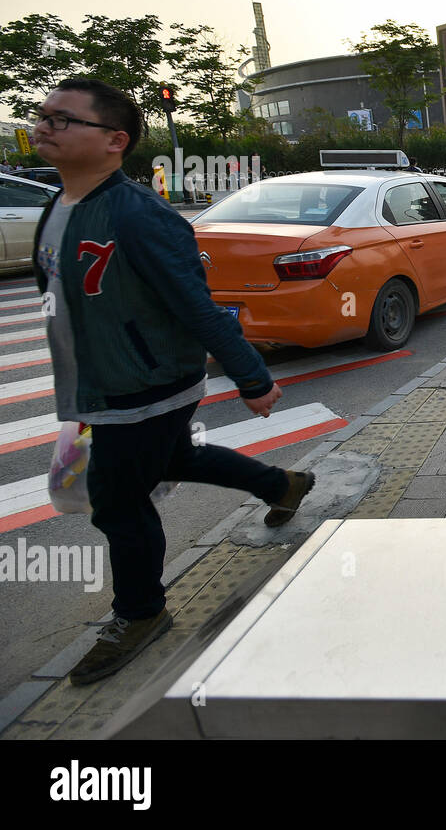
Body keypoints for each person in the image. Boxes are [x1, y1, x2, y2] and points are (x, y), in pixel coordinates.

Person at [30, 78, 315, 686]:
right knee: (174, 457)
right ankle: (282, 483)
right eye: (44, 115)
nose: (46, 125)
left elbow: (195, 304)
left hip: (146, 386)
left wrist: (252, 378)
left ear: (114, 141)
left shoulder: (138, 214)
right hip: (101, 381)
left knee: (118, 502)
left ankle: (140, 612)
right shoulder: (60, 205)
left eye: (64, 118)